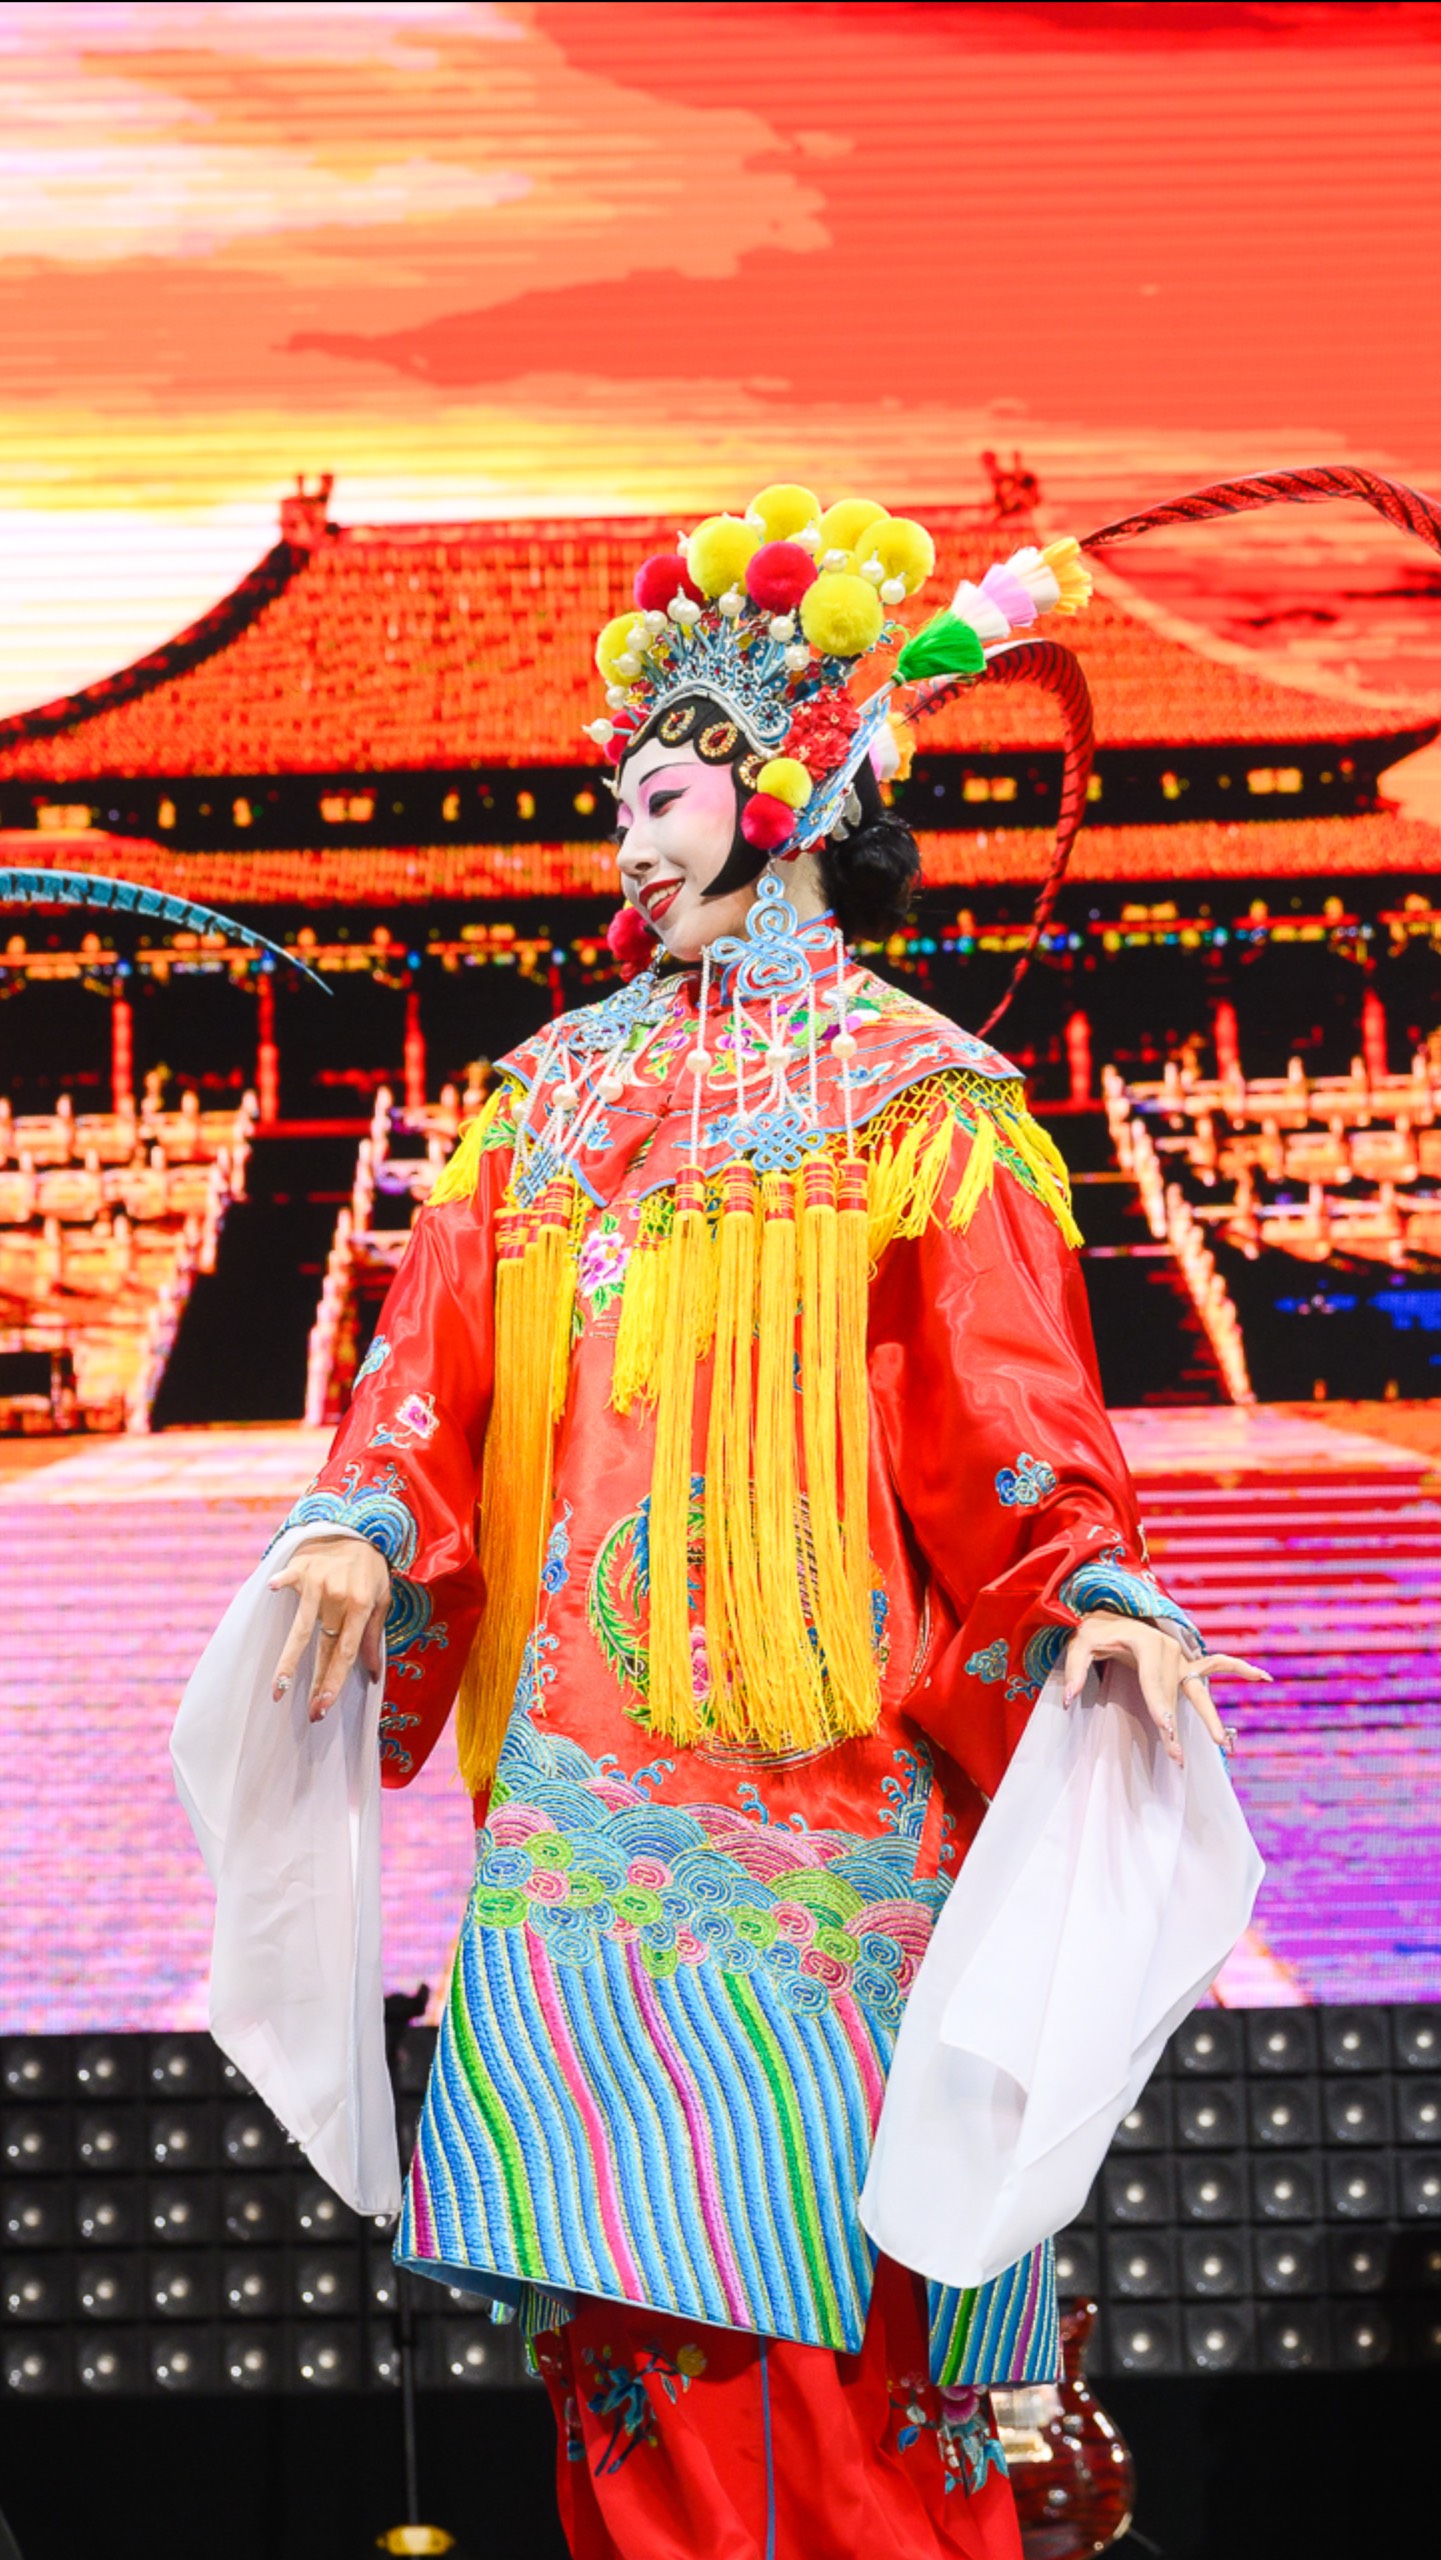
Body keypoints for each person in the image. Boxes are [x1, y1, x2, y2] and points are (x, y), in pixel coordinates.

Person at [233, 482, 1268, 2560]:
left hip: (846, 1798)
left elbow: (1003, 1405)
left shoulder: (920, 1103)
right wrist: (361, 1521)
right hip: (588, 1802)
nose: (628, 840)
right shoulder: (542, 1101)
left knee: (862, 2329)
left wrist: (1085, 1580)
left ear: (792, 797)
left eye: (664, 795)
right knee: (635, 2332)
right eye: (620, 799)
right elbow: (428, 1372)